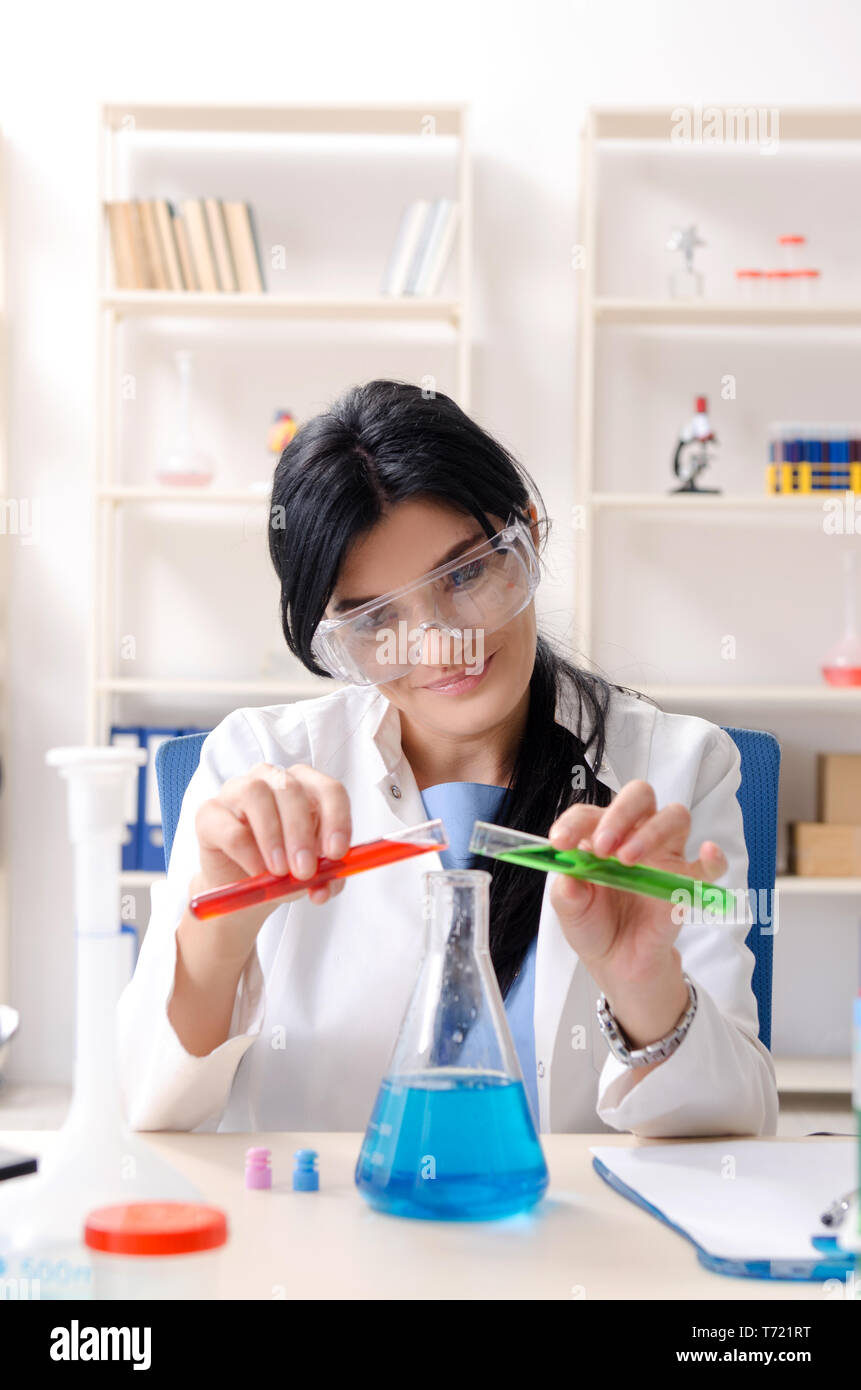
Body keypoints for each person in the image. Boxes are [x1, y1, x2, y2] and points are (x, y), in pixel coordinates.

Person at [118, 380, 777, 1137]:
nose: (439, 645)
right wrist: (220, 929)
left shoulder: (675, 767)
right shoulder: (256, 763)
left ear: (528, 539)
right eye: (374, 617)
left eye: (465, 574)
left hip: (578, 1251)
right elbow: (146, 1108)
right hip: (318, 1244)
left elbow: (737, 1129)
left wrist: (644, 987)